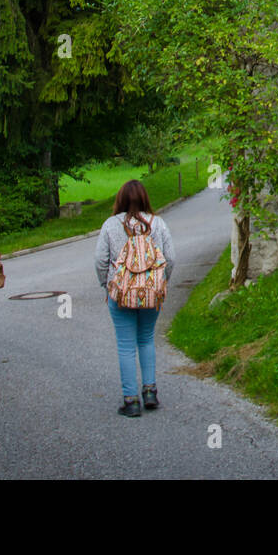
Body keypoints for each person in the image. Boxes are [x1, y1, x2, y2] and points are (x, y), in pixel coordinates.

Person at [95, 179, 175, 417]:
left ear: (120, 199)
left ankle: (131, 402)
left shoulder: (110, 225)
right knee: (147, 339)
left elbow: (100, 261)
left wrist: (106, 285)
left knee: (126, 345)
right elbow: (170, 258)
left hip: (120, 294)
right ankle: (150, 391)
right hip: (152, 294)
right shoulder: (158, 223)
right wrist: (162, 282)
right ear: (144, 199)